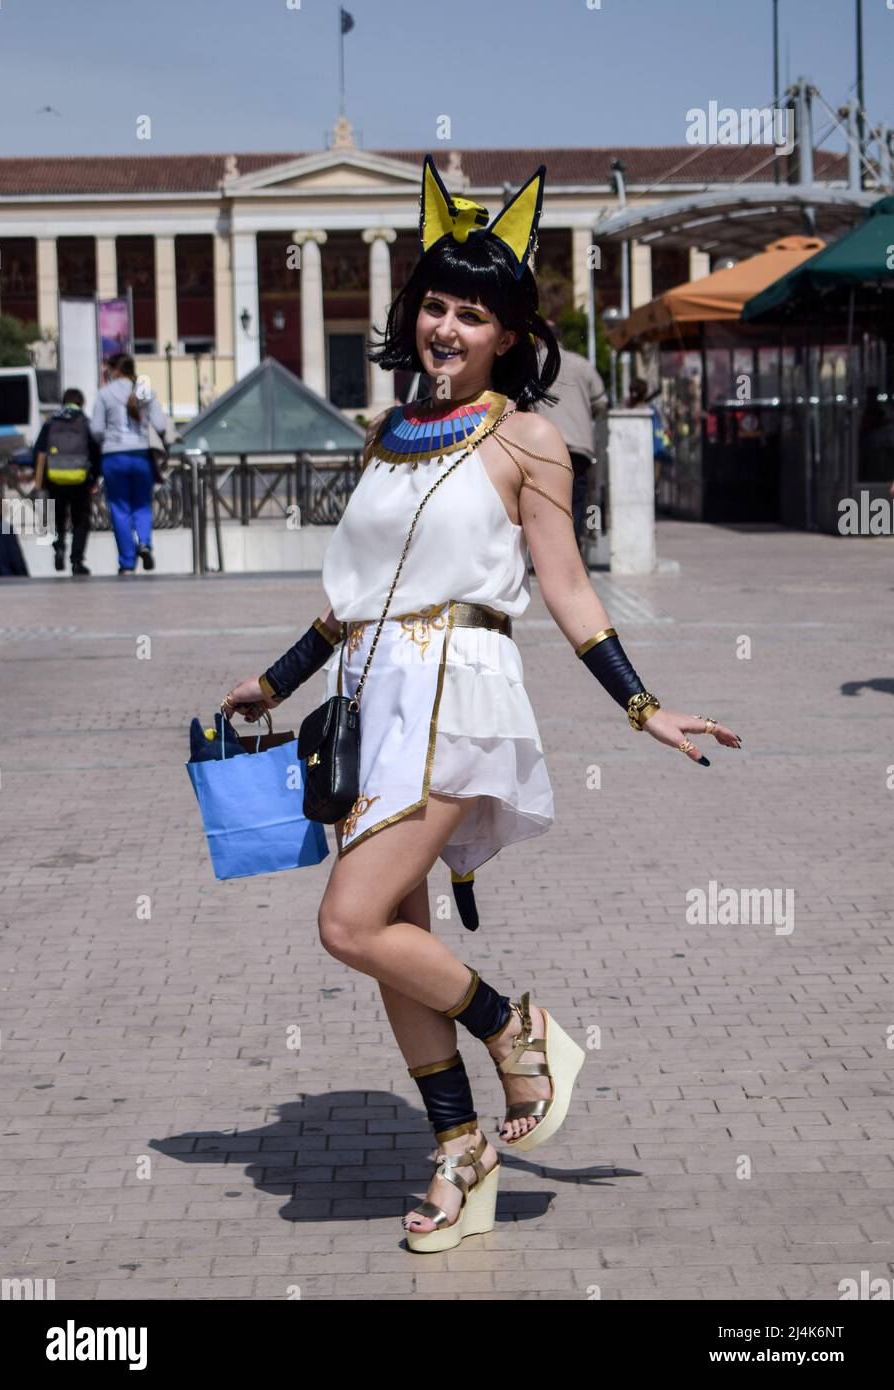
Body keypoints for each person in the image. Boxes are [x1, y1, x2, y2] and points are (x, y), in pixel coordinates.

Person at [224, 155, 743, 1254]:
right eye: (434, 307)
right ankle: (462, 1153)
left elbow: (566, 588)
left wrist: (641, 704)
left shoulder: (527, 439)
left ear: (508, 332)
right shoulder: (384, 435)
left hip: (460, 695)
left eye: (471, 312)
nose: (444, 328)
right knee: (394, 929)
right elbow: (353, 602)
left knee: (348, 921)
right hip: (368, 701)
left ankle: (519, 1030)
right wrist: (274, 682)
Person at [90, 353, 169, 576]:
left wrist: (108, 437)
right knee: (142, 504)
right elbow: (161, 426)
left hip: (114, 457)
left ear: (115, 370)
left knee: (120, 508)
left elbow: (96, 430)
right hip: (141, 456)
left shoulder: (105, 393)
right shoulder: (144, 391)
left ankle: (127, 563)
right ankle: (144, 543)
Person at [533, 323, 608, 549]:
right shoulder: (583, 365)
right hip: (578, 449)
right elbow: (602, 404)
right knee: (574, 503)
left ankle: (546, 554)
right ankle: (572, 552)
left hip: (541, 448)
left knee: (544, 503)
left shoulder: (532, 364)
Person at [32, 387, 102, 577]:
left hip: (55, 477)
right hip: (80, 478)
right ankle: (77, 561)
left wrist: (40, 480)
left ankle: (59, 548)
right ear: (81, 403)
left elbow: (39, 451)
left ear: (63, 402)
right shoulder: (85, 422)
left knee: (58, 517)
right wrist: (94, 478)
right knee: (80, 519)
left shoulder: (51, 421)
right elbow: (95, 452)